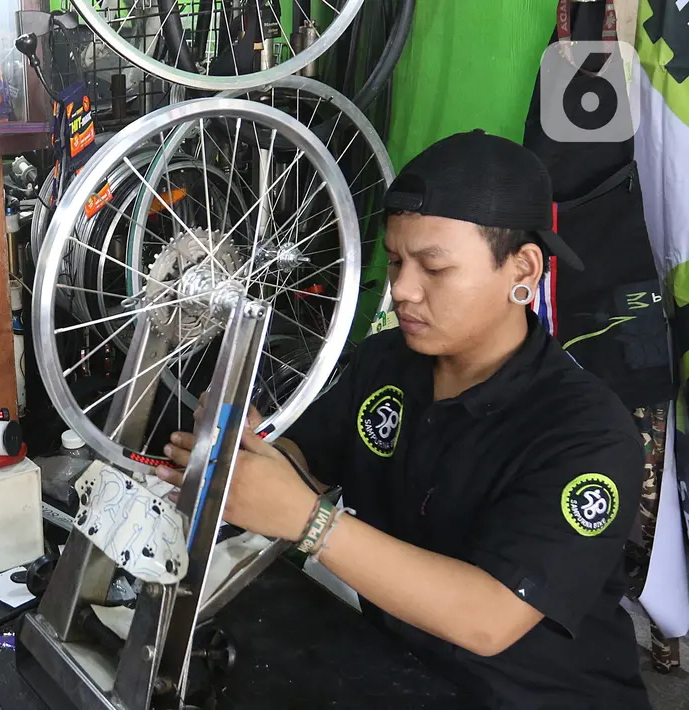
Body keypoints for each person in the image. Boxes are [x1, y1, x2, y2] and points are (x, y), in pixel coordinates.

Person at [158, 131, 651, 709]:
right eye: (395, 261)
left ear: (523, 268)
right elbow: (307, 463)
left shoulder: (588, 435)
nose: (401, 291)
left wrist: (310, 523)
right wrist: (252, 462)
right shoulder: (387, 364)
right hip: (396, 667)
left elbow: (488, 619)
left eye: (434, 269)